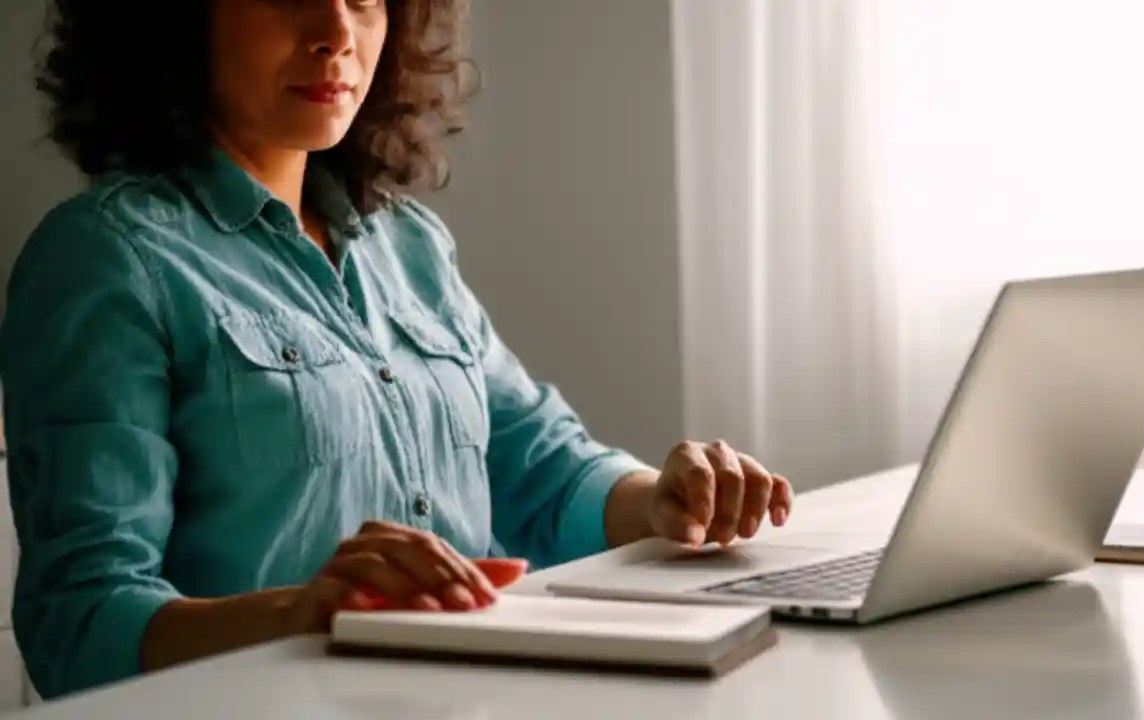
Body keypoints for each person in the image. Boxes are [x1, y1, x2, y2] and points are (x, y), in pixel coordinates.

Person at [0, 0, 794, 701]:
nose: (336, 31)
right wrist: (305, 612)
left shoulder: (406, 245)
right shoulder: (108, 260)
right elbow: (79, 623)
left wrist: (667, 498)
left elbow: (539, 469)